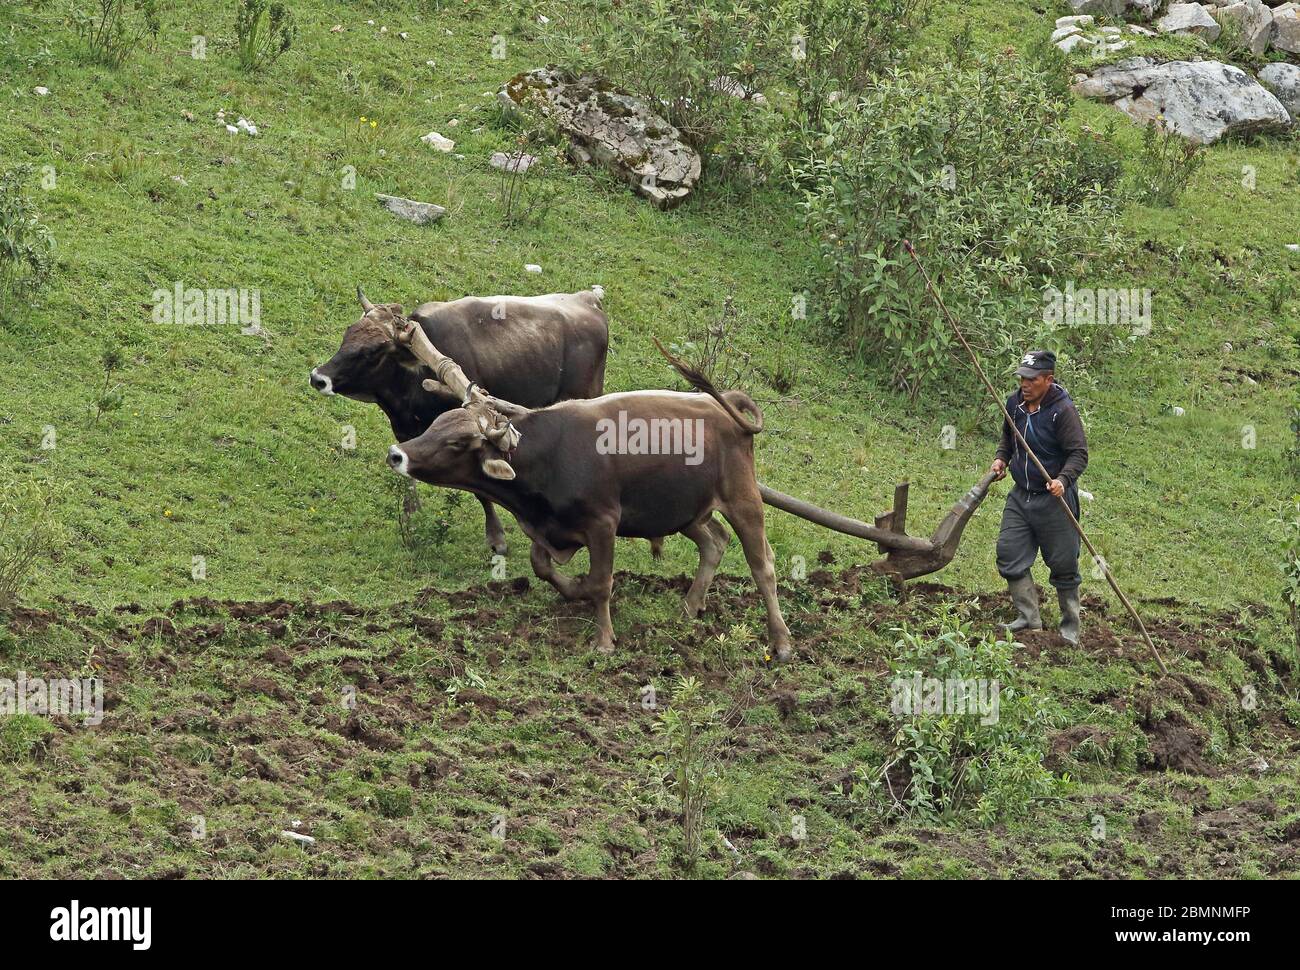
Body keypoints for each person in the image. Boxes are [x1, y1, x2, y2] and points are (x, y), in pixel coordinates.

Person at [989, 350, 1088, 644]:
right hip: (1022, 497)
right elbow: (1009, 438)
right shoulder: (1014, 405)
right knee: (1009, 552)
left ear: (1048, 379)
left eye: (1032, 379)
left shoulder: (1062, 411)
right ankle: (1028, 618)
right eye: (1022, 377)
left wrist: (1062, 480)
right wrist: (1001, 459)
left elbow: (1078, 454)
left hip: (1054, 500)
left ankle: (1070, 627)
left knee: (1063, 564)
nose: (1025, 384)